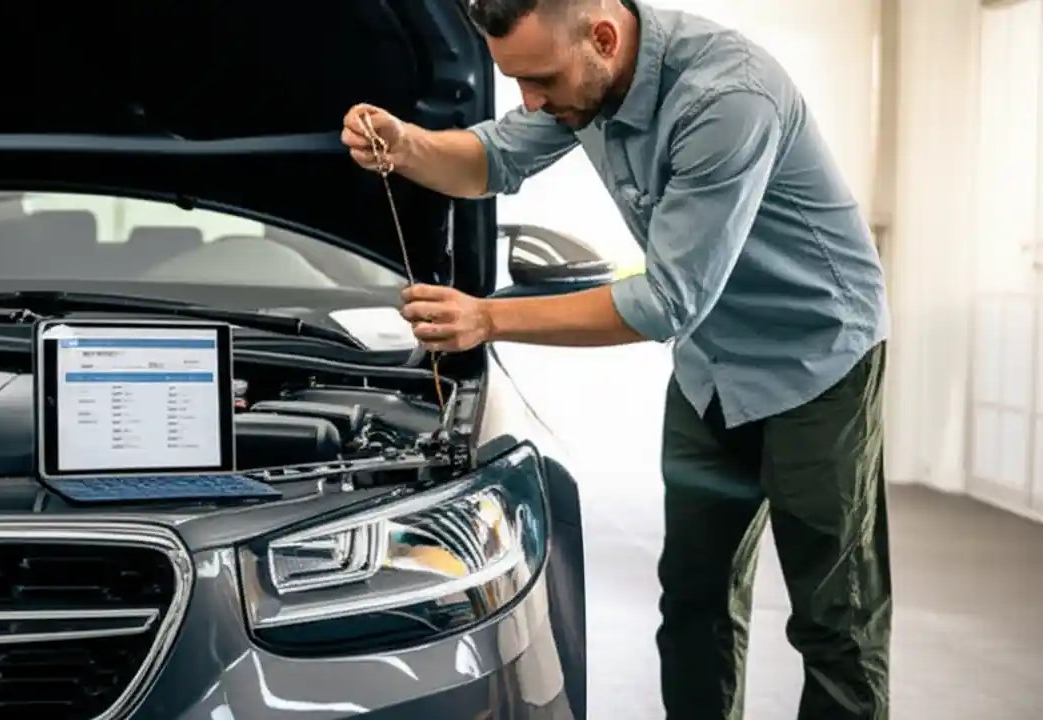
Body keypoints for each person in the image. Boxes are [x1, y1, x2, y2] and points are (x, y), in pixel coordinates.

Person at [341, 0, 891, 718]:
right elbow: (493, 160)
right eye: (516, 81)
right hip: (711, 371)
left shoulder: (727, 97)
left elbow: (667, 301)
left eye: (539, 79)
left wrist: (488, 318)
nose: (529, 101)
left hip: (815, 360)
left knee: (833, 619)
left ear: (603, 37)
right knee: (695, 601)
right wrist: (405, 144)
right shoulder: (580, 76)